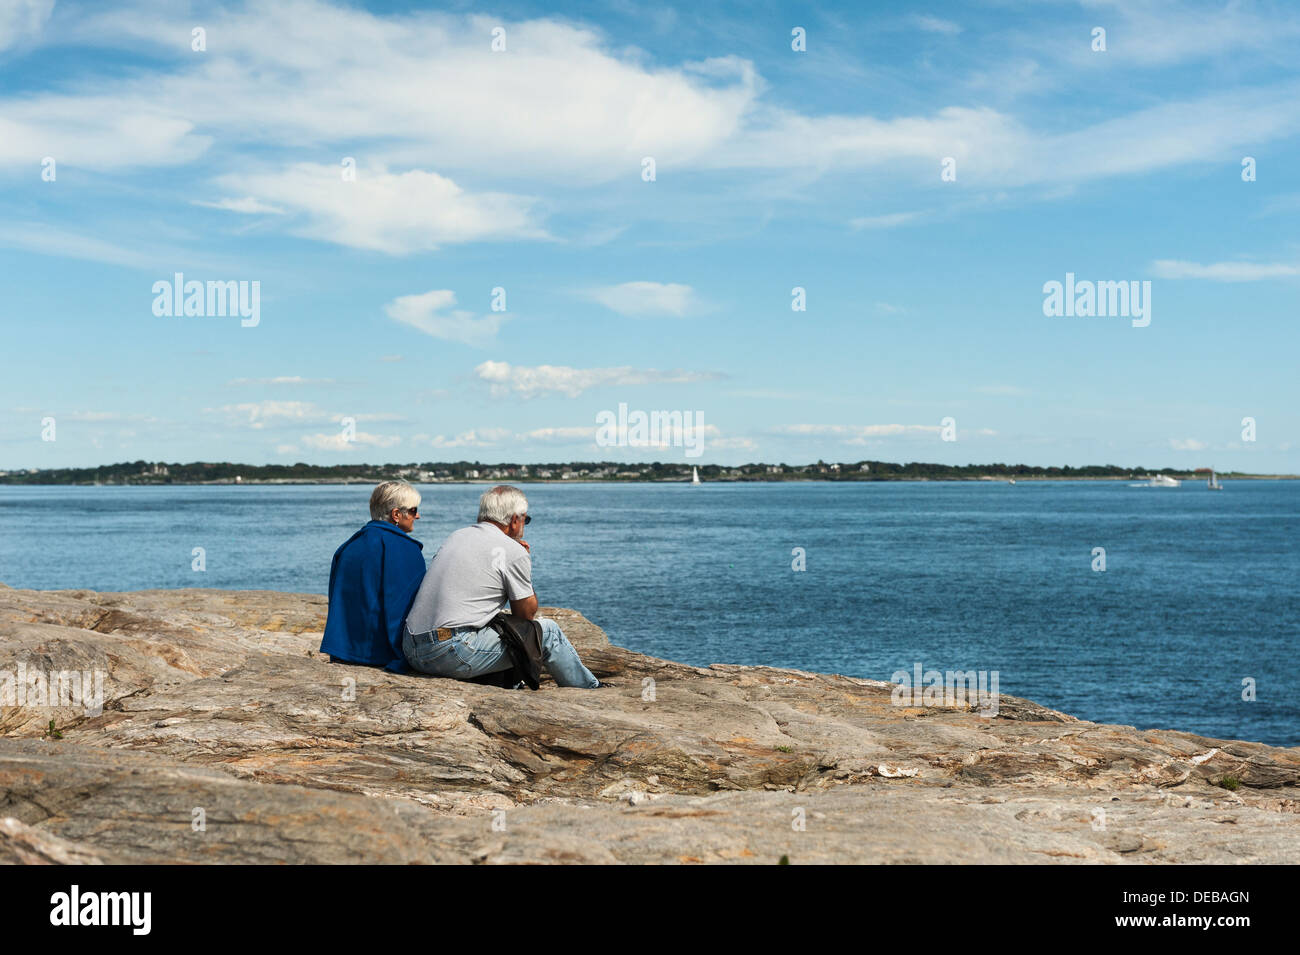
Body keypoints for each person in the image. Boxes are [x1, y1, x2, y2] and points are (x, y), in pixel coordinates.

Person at [403, 485, 605, 688]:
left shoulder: (457, 536)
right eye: (526, 519)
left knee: (498, 625)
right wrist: (523, 560)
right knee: (548, 632)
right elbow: (525, 616)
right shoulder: (511, 550)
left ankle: (509, 683)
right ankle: (590, 690)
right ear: (515, 519)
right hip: (450, 652)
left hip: (412, 648)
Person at [320, 481, 426, 673]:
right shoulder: (405, 549)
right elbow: (405, 610)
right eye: (413, 510)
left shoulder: (348, 546)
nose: (417, 515)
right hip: (381, 656)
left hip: (344, 652)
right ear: (396, 514)